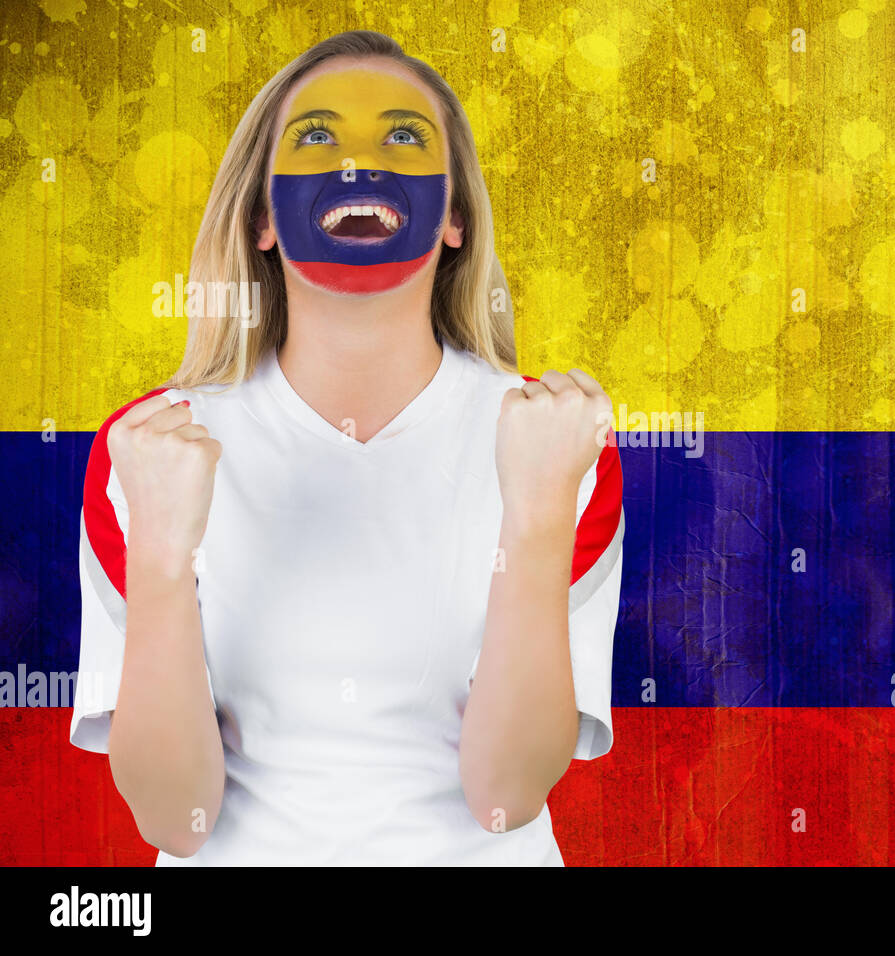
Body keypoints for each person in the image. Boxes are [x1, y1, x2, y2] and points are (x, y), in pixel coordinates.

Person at [70, 30, 625, 866]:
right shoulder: (148, 447)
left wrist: (539, 514)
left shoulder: (562, 439)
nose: (360, 162)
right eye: (317, 135)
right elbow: (173, 820)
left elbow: (506, 798)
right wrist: (161, 560)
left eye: (404, 136)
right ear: (262, 218)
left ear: (453, 218)